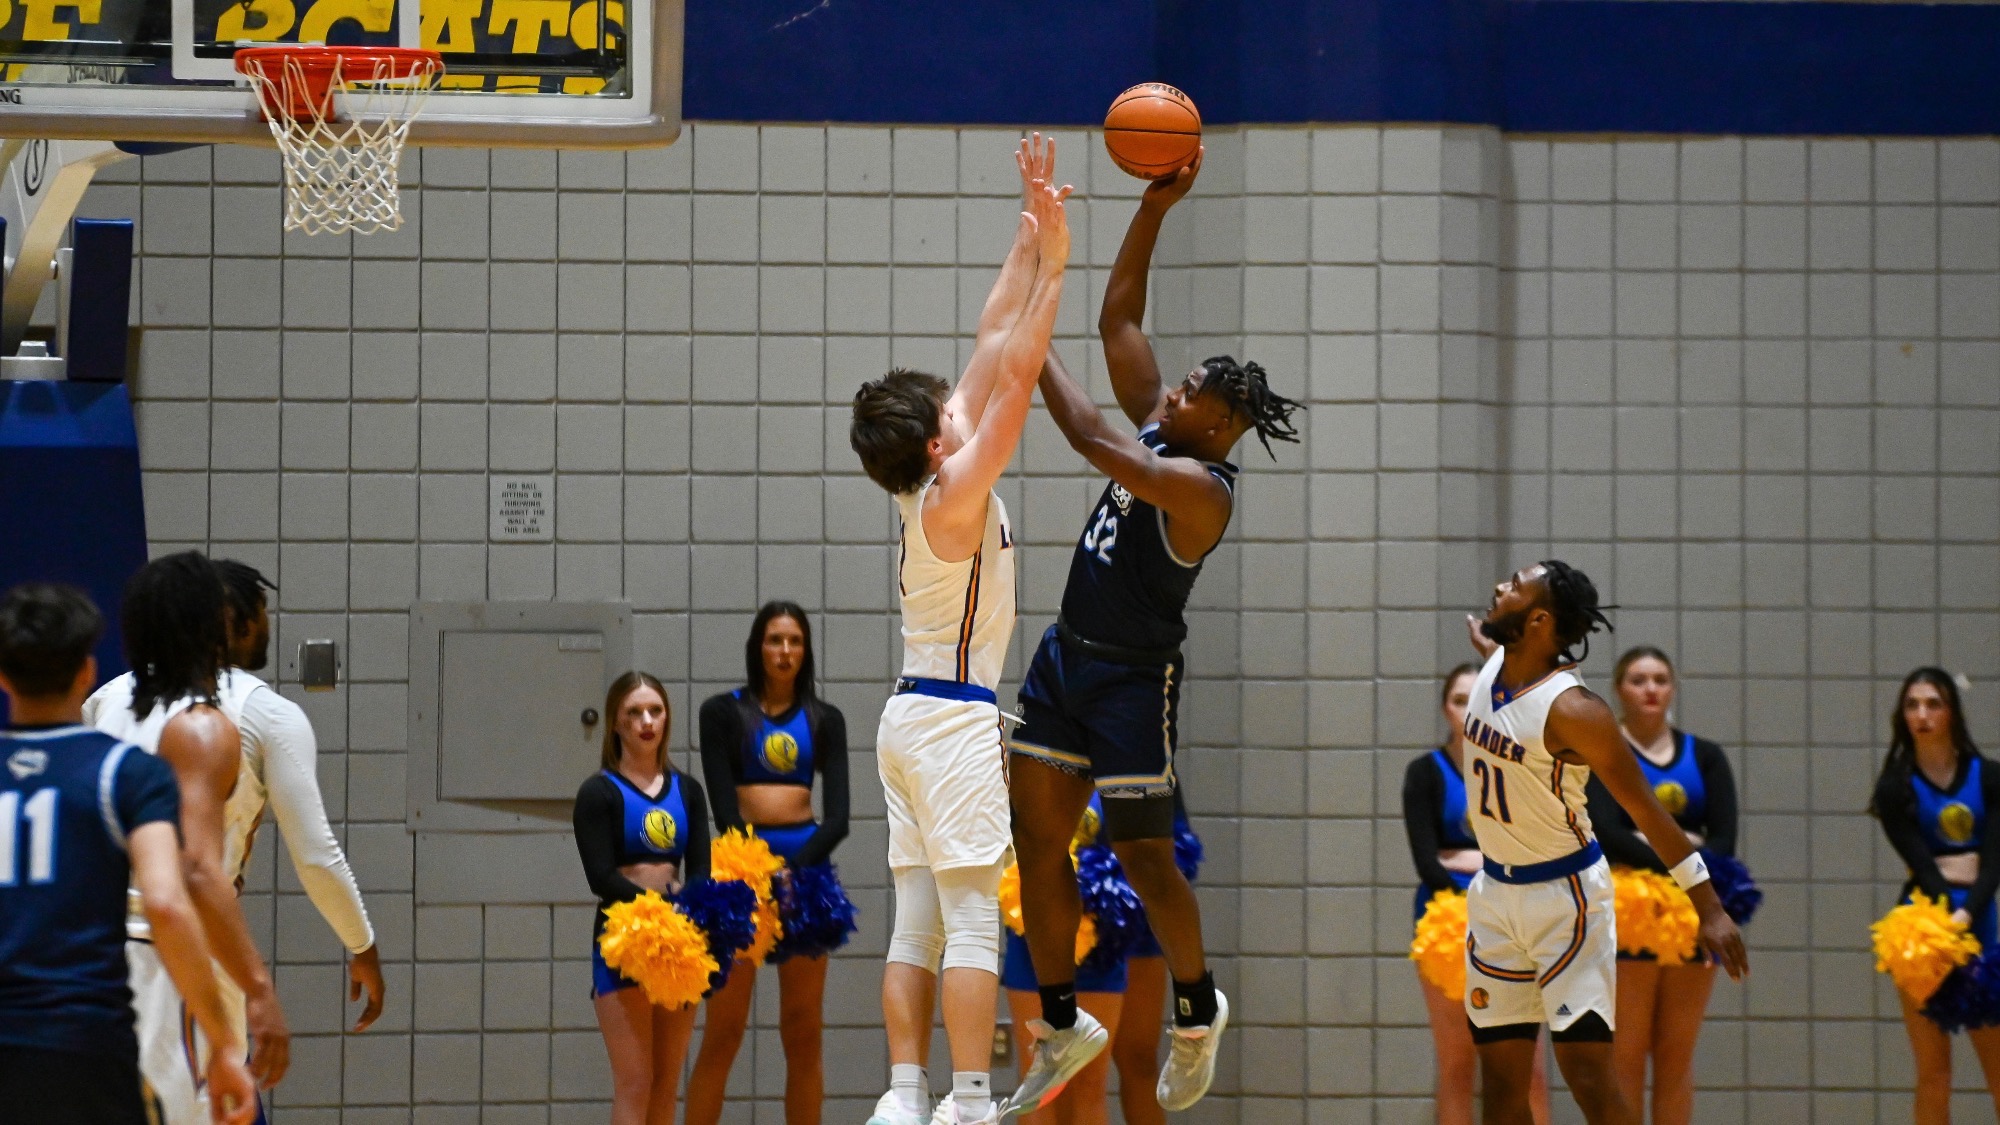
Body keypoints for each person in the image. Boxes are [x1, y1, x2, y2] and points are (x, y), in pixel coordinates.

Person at [1004, 149, 1301, 1118]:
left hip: (1132, 681)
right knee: (1033, 844)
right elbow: (1120, 319)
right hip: (1062, 659)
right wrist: (1153, 205)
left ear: (1220, 428)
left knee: (1141, 856)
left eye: (1185, 398)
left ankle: (1194, 1002)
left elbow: (1093, 440)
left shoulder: (1200, 488)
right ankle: (1058, 1022)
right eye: (1172, 389)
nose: (1166, 394)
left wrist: (1025, 337)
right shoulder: (1170, 433)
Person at [848, 133, 1070, 1125]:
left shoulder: (924, 480)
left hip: (907, 716)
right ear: (940, 439)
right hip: (949, 721)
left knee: (917, 921)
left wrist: (1027, 234)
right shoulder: (953, 494)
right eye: (948, 409)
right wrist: (1059, 267)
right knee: (974, 915)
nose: (958, 393)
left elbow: (987, 345)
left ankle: (904, 1096)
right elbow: (1015, 377)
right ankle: (971, 1098)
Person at [1460, 562, 1746, 1125]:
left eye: (1515, 587)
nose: (1500, 587)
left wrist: (1709, 906)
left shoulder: (1575, 710)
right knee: (1498, 1084)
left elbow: (1646, 809)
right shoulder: (1496, 662)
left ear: (1539, 620)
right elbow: (1498, 660)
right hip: (1494, 894)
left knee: (1589, 1076)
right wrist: (1491, 632)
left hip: (1565, 898)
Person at [84, 559, 384, 1033]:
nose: (267, 626)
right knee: (201, 1107)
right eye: (261, 611)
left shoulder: (106, 698)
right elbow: (316, 856)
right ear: (234, 623)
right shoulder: (262, 712)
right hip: (183, 944)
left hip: (87, 949)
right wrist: (361, 943)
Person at [0, 583, 258, 1125]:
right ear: (85, 672)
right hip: (86, 1040)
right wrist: (222, 1039)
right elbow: (167, 903)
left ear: (3, 676)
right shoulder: (126, 774)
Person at [91, 552, 291, 1124]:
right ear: (216, 625)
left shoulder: (102, 704)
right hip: (161, 963)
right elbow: (198, 870)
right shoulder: (203, 726)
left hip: (88, 963)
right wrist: (257, 988)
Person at [686, 602, 851, 1125]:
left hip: (804, 879)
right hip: (739, 878)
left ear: (806, 651)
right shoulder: (722, 713)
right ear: (758, 647)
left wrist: (793, 869)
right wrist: (757, 870)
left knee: (803, 1033)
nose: (784, 652)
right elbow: (724, 810)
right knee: (724, 1032)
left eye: (795, 642)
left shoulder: (826, 719)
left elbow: (839, 818)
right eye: (775, 640)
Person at [1584, 647, 1738, 1125]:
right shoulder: (1602, 755)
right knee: (1625, 1056)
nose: (1649, 688)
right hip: (1628, 916)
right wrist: (1681, 854)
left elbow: (1725, 838)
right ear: (1618, 690)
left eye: (1659, 679)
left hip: (1691, 914)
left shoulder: (1707, 757)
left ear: (1672, 688)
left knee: (1676, 1056)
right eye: (1637, 679)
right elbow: (1604, 830)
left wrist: (1658, 853)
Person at [1403, 664, 1551, 1125]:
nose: (1469, 711)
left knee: (1531, 1072)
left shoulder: (1522, 770)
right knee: (1458, 1066)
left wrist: (1471, 861)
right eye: (1459, 700)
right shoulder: (1425, 773)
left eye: (1479, 700)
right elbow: (1428, 862)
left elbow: (1537, 851)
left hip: (1516, 918)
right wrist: (1486, 872)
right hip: (1446, 921)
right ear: (1446, 709)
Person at [573, 671, 713, 1125]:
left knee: (667, 1085)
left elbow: (701, 871)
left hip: (679, 944)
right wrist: (658, 906)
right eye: (634, 713)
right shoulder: (598, 793)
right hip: (622, 941)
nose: (646, 721)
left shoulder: (688, 790)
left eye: (655, 710)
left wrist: (682, 911)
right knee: (635, 1082)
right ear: (615, 723)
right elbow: (602, 878)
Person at [1870, 667, 2000, 1124]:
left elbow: (1994, 863)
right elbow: (1924, 868)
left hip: (1980, 922)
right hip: (1923, 927)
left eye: (1933, 704)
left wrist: (1967, 918)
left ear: (1952, 712)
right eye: (1912, 705)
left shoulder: (1989, 777)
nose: (1922, 714)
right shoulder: (1894, 788)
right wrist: (1949, 921)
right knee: (1934, 1073)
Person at [1003, 794, 1127, 1125]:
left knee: (1090, 1084)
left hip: (1100, 937)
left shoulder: (1117, 766)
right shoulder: (1028, 764)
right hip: (1032, 935)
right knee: (1038, 1086)